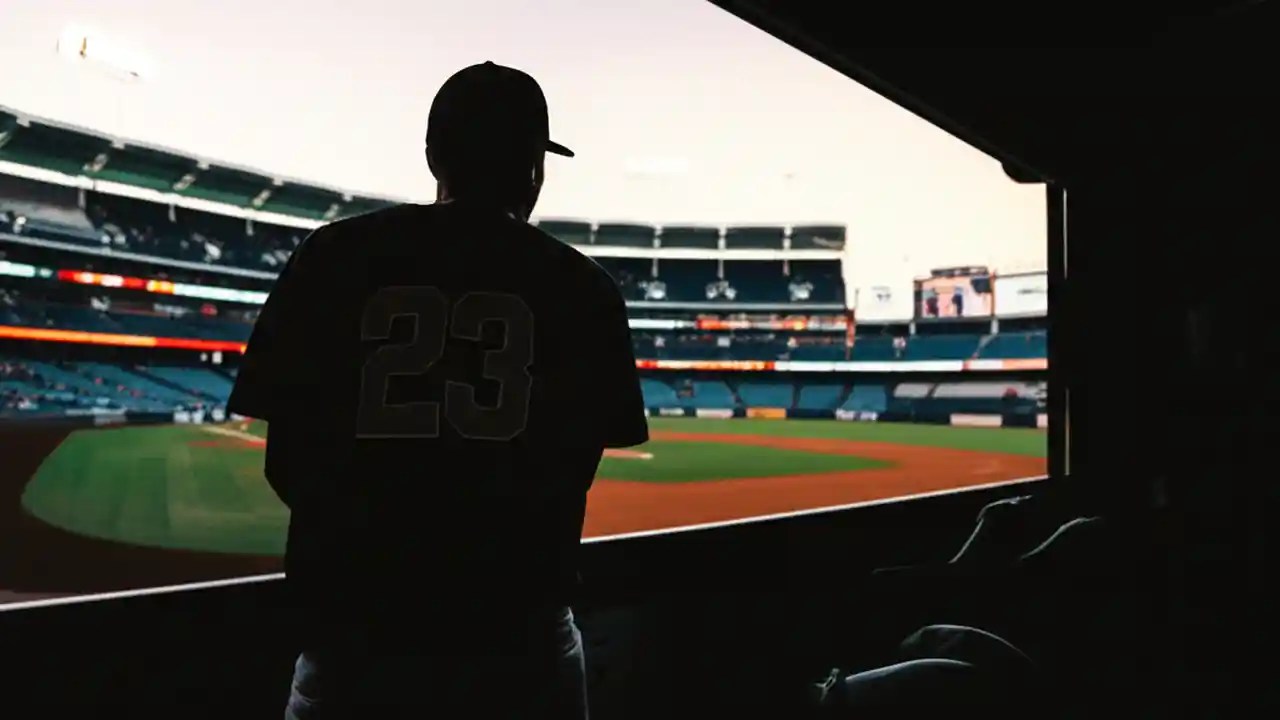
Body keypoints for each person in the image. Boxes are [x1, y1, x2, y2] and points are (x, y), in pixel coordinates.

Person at [227, 61, 649, 720]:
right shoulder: (581, 287)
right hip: (518, 642)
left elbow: (288, 462)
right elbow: (573, 470)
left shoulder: (334, 256)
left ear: (433, 153)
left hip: (355, 638)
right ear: (535, 170)